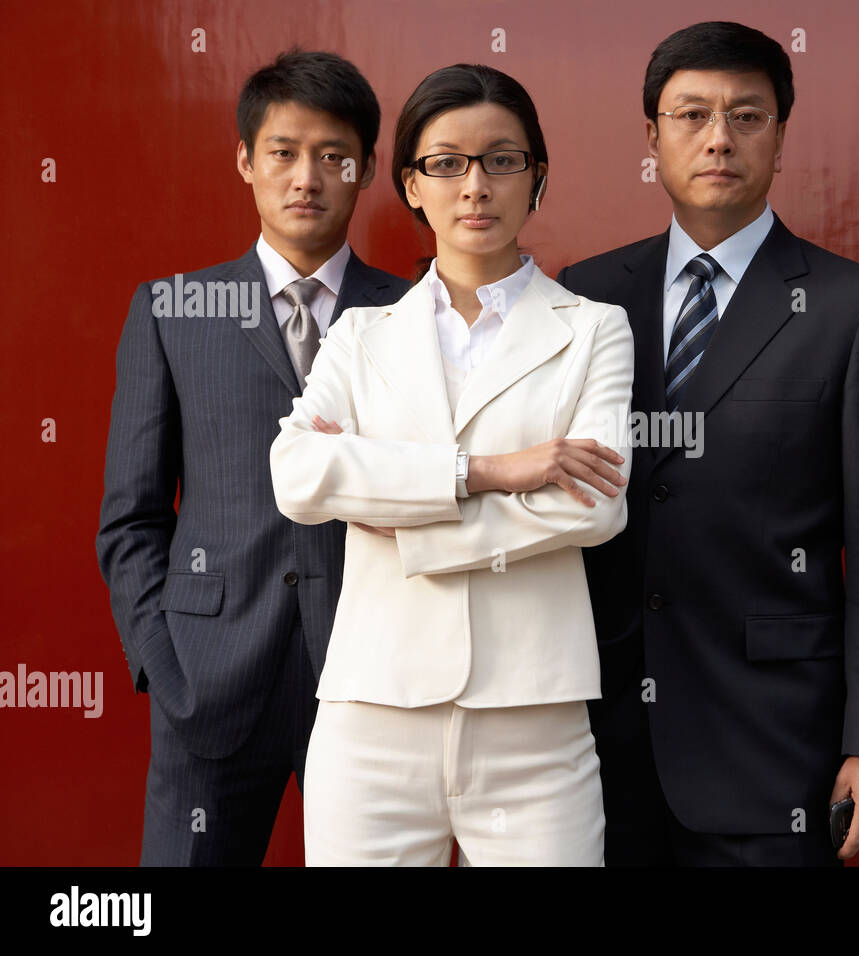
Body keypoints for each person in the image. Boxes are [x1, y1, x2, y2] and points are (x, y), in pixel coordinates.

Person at [557, 21, 859, 866]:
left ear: (780, 136)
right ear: (652, 137)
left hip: (772, 749)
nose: (718, 137)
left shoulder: (853, 309)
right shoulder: (586, 293)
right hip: (590, 742)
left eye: (747, 116)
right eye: (691, 115)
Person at [268, 63, 634, 866]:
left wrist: (402, 525)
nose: (475, 186)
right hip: (371, 717)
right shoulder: (361, 336)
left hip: (533, 720)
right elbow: (297, 474)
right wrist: (489, 472)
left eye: (501, 160)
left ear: (536, 177)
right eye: (446, 164)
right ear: (410, 185)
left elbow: (595, 506)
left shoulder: (595, 327)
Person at [95, 49, 406, 865]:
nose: (307, 177)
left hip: (374, 684)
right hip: (210, 684)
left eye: (334, 156)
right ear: (245, 160)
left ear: (368, 168)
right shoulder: (172, 310)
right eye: (283, 152)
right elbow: (130, 517)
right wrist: (166, 668)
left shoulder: (417, 315)